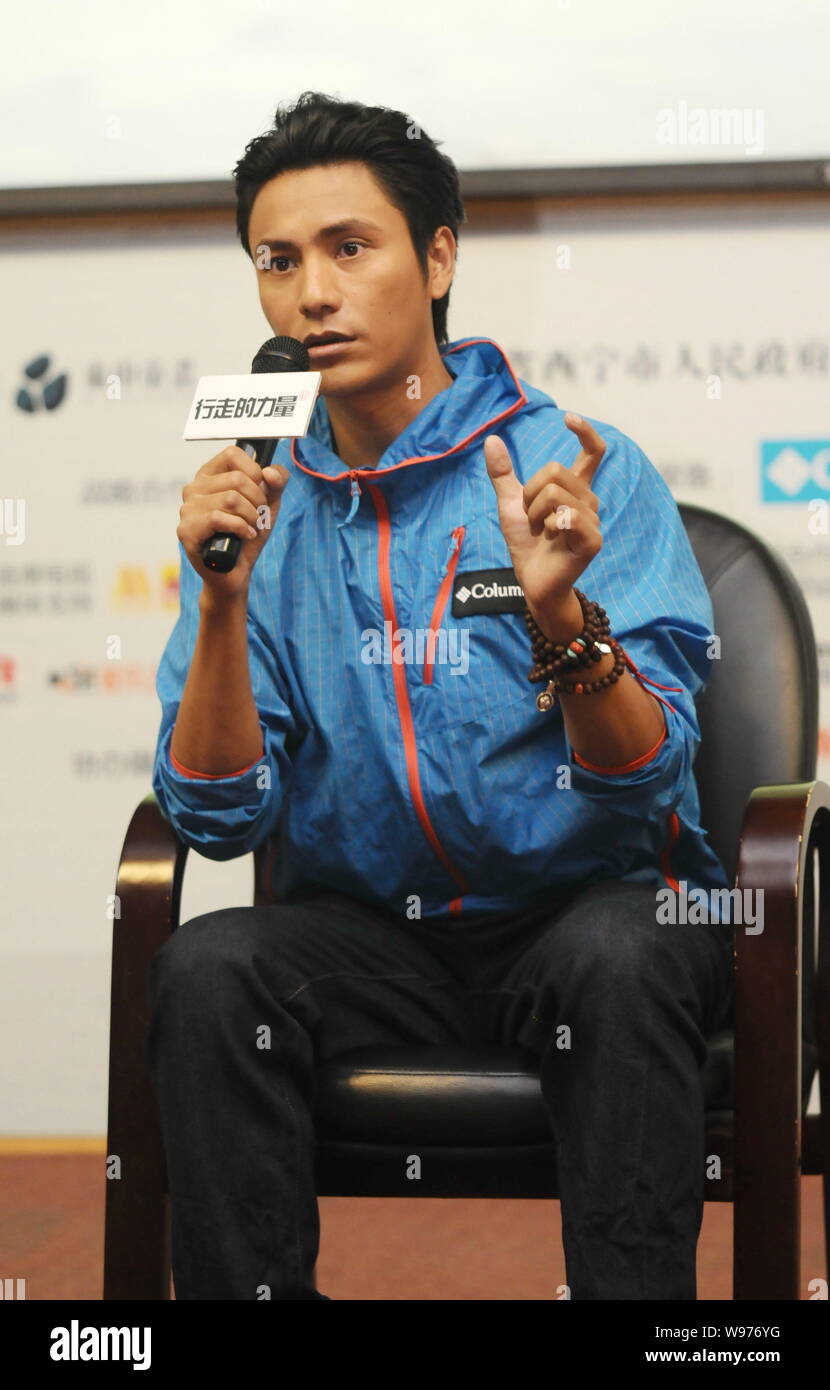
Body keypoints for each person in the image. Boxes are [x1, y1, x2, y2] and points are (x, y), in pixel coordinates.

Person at [145, 91, 735, 1301]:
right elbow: (215, 817)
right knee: (208, 966)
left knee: (626, 951)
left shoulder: (573, 467)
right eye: (277, 260)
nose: (310, 293)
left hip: (591, 911)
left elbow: (641, 776)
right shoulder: (267, 503)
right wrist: (217, 602)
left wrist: (562, 617)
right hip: (374, 938)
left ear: (438, 256)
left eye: (348, 248)